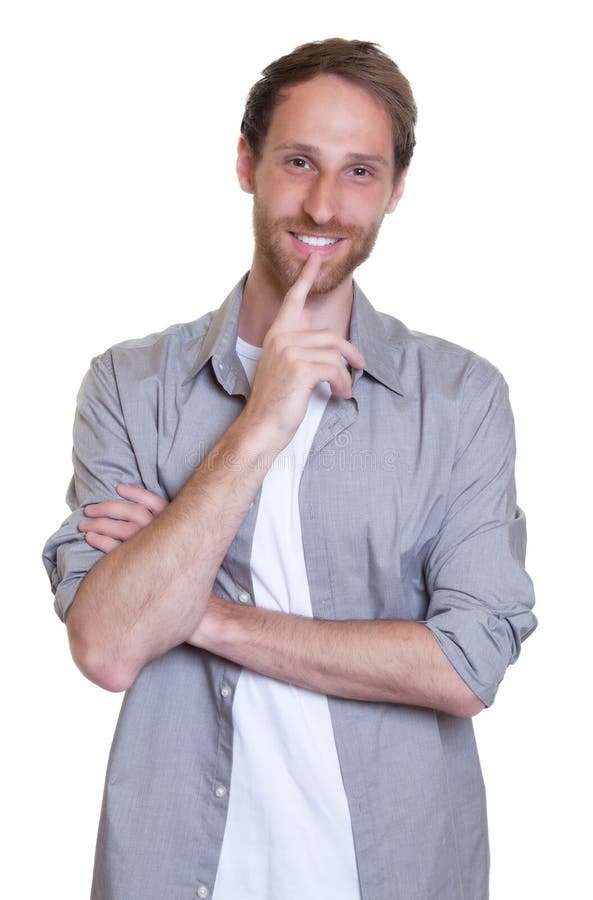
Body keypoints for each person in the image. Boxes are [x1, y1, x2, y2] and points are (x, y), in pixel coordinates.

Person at [43, 38, 537, 900]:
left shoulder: (459, 398)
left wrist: (197, 612)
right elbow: (111, 645)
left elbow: (464, 667)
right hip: (177, 871)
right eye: (298, 161)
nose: (323, 203)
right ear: (246, 162)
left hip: (395, 873)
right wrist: (260, 422)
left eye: (358, 172)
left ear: (394, 190)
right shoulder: (131, 385)